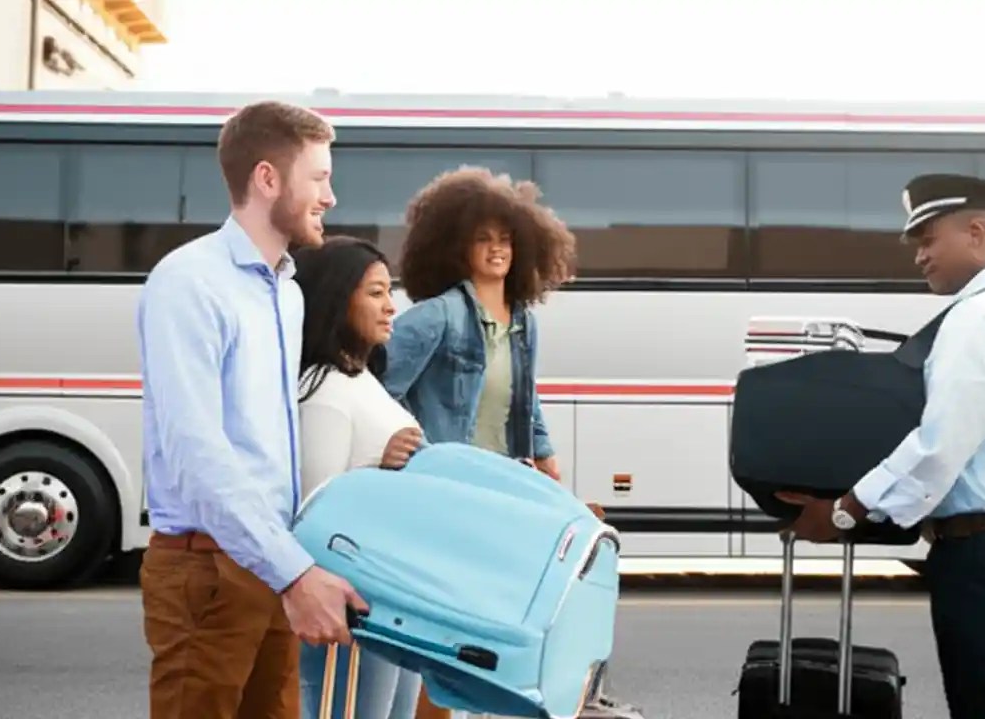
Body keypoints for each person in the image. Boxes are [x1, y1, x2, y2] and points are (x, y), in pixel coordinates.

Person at [776, 173, 985, 719]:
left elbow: (938, 445)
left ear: (976, 231)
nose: (919, 257)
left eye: (928, 239)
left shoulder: (982, 317)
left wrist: (842, 513)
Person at [137, 100, 368, 719]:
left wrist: (292, 562)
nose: (331, 196)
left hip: (267, 558)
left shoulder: (286, 293)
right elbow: (196, 454)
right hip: (207, 570)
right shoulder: (189, 282)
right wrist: (294, 574)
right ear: (267, 179)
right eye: (318, 178)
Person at [380, 166, 638, 719]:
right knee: (447, 617)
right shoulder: (436, 317)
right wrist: (407, 445)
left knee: (489, 614)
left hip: (501, 486)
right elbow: (379, 392)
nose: (497, 250)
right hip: (448, 490)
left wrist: (545, 460)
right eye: (483, 238)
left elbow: (527, 396)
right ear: (455, 246)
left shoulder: (522, 319)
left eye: (506, 239)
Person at [291, 236, 426, 719]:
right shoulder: (324, 389)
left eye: (390, 292)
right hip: (353, 604)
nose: (392, 306)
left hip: (388, 599)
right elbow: (313, 515)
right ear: (335, 297)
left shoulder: (359, 377)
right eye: (375, 293)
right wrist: (379, 468)